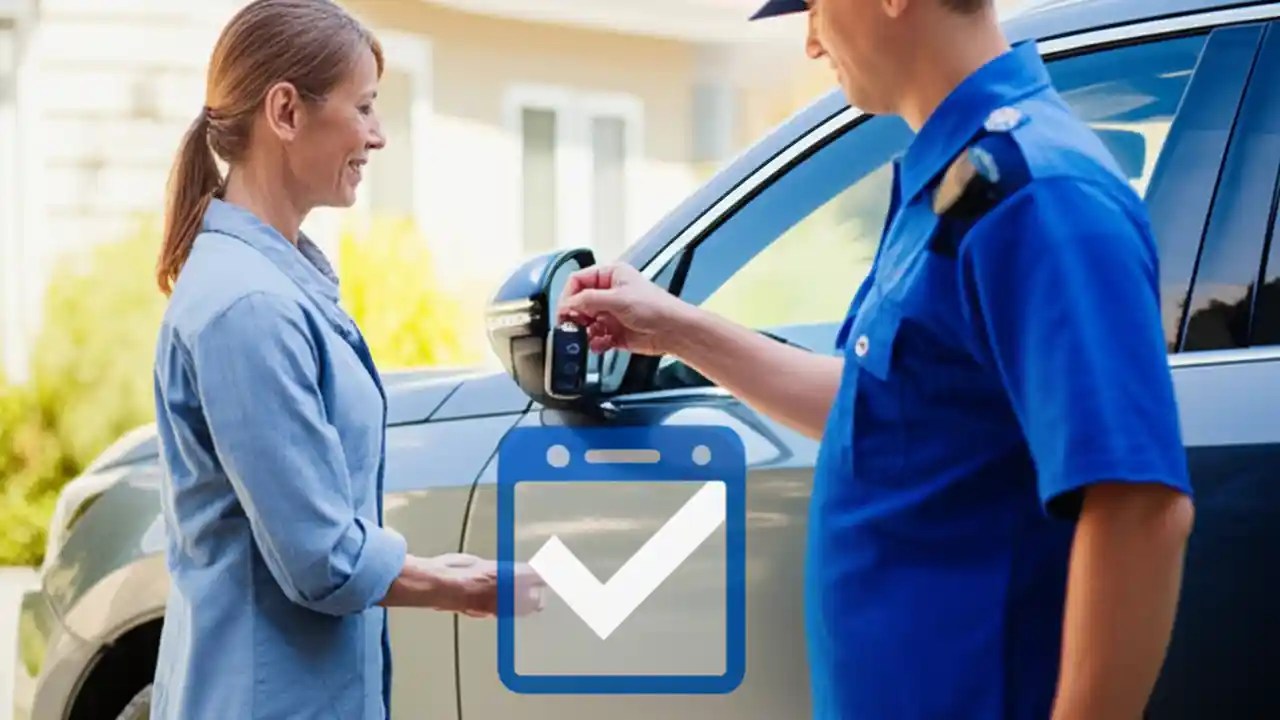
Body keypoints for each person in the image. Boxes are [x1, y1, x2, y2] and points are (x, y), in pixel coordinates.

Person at [557, 0, 1195, 718]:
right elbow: (891, 419)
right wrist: (677, 331)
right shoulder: (958, 177)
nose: (809, 41)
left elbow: (1139, 507)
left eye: (816, 6)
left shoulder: (1036, 195)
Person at [150, 2, 542, 719]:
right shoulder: (249, 308)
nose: (379, 135)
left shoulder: (274, 286)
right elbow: (319, 559)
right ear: (286, 112)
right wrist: (451, 585)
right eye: (363, 107)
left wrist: (423, 570)